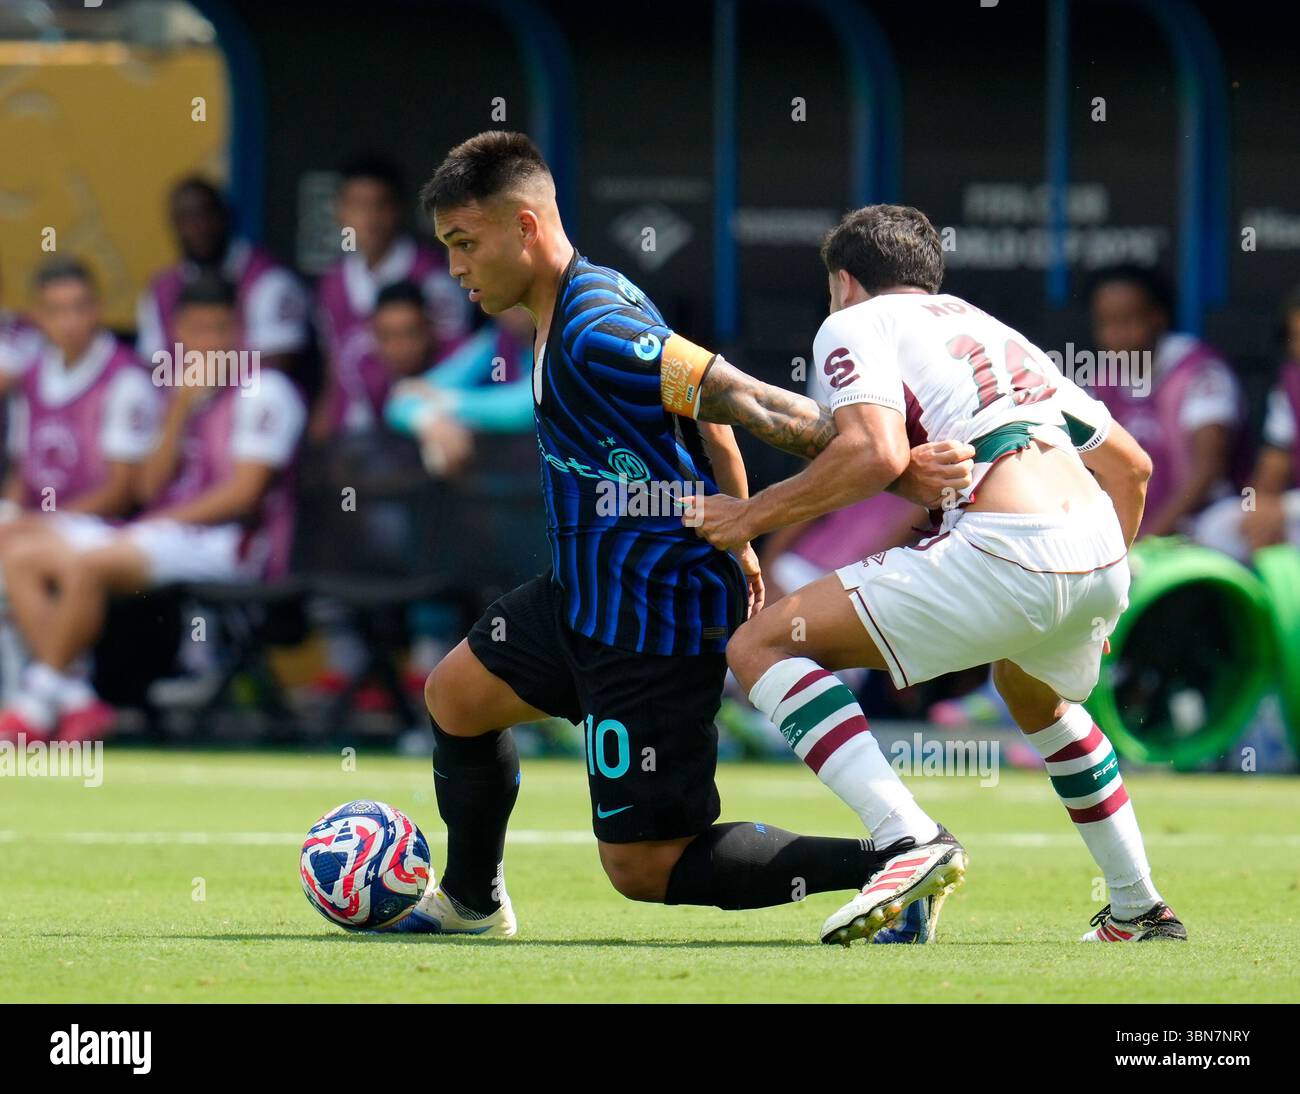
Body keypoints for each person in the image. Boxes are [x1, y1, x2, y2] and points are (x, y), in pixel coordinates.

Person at [388, 132, 972, 939]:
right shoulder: (582, 299)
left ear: (524, 227)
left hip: (648, 615)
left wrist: (890, 466)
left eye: (464, 242)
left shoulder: (595, 324)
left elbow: (753, 404)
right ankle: (472, 902)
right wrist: (735, 536)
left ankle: (894, 866)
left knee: (645, 868)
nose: (455, 268)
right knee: (457, 695)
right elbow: (703, 418)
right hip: (584, 591)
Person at [690, 205, 1184, 945]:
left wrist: (748, 516)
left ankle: (907, 837)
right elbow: (1133, 470)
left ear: (846, 281)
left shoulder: (854, 322)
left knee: (759, 646)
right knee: (1032, 694)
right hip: (1098, 551)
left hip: (1008, 546)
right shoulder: (997, 333)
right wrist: (1099, 595)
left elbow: (873, 455)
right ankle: (1138, 907)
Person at [0, 274, 306, 742]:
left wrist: (159, 521)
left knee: (87, 563)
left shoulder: (266, 389)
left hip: (233, 546)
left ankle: (38, 698)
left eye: (221, 329)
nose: (211, 343)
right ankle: (76, 699)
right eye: (199, 330)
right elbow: (149, 484)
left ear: (240, 329)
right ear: (180, 331)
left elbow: (243, 494)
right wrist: (180, 408)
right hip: (166, 534)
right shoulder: (182, 390)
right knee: (19, 556)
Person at [312, 155, 470, 439]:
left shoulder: (433, 277)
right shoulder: (333, 282)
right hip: (353, 435)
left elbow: (456, 362)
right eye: (358, 206)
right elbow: (334, 369)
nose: (370, 218)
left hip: (423, 427)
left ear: (399, 209)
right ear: (340, 213)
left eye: (380, 206)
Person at [1089, 264, 1241, 538]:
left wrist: (1149, 539)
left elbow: (1208, 468)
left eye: (1126, 321)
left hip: (1200, 523)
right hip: (1132, 533)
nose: (1116, 334)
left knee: (1220, 529)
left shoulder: (1198, 371)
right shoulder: (1102, 379)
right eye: (1106, 323)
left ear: (1158, 318)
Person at [137, 177, 309, 370]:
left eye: (204, 214)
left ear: (224, 216)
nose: (197, 228)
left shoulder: (269, 280)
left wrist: (211, 387)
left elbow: (276, 367)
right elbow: (153, 370)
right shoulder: (161, 290)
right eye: (185, 219)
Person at [382, 280, 534, 477]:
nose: (514, 301)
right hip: (510, 494)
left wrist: (446, 403)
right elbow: (401, 400)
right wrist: (428, 422)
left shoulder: (572, 334)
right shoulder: (497, 340)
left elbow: (527, 406)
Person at [1195, 285, 1300, 559]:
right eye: (1297, 338)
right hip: (1292, 506)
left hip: (1293, 507)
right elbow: (1274, 463)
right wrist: (1262, 509)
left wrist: (1283, 510)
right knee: (1217, 527)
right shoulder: (1292, 383)